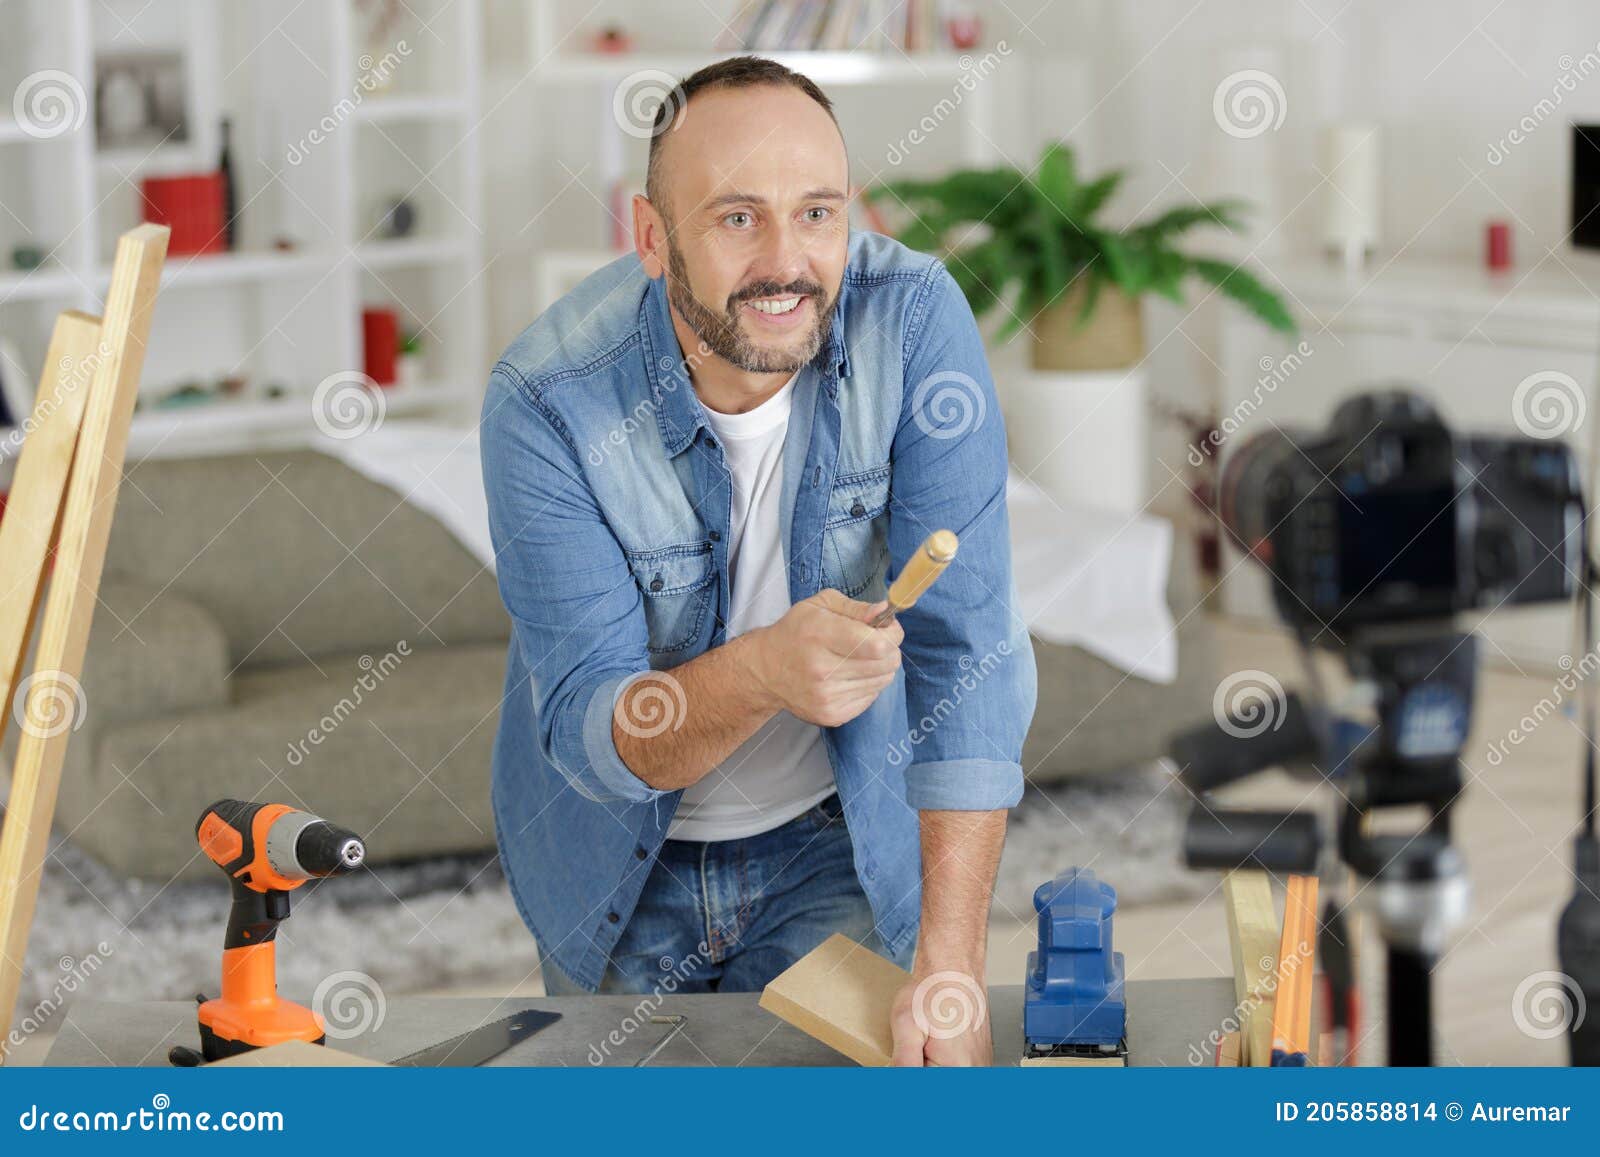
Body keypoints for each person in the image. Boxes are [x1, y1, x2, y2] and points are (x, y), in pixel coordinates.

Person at [480, 55, 1035, 1066]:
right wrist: (767, 669)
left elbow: (969, 651)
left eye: (818, 213)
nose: (788, 261)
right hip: (614, 869)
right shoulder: (549, 399)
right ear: (652, 238)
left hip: (836, 836)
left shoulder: (911, 323)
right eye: (738, 218)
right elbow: (592, 728)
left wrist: (950, 962)